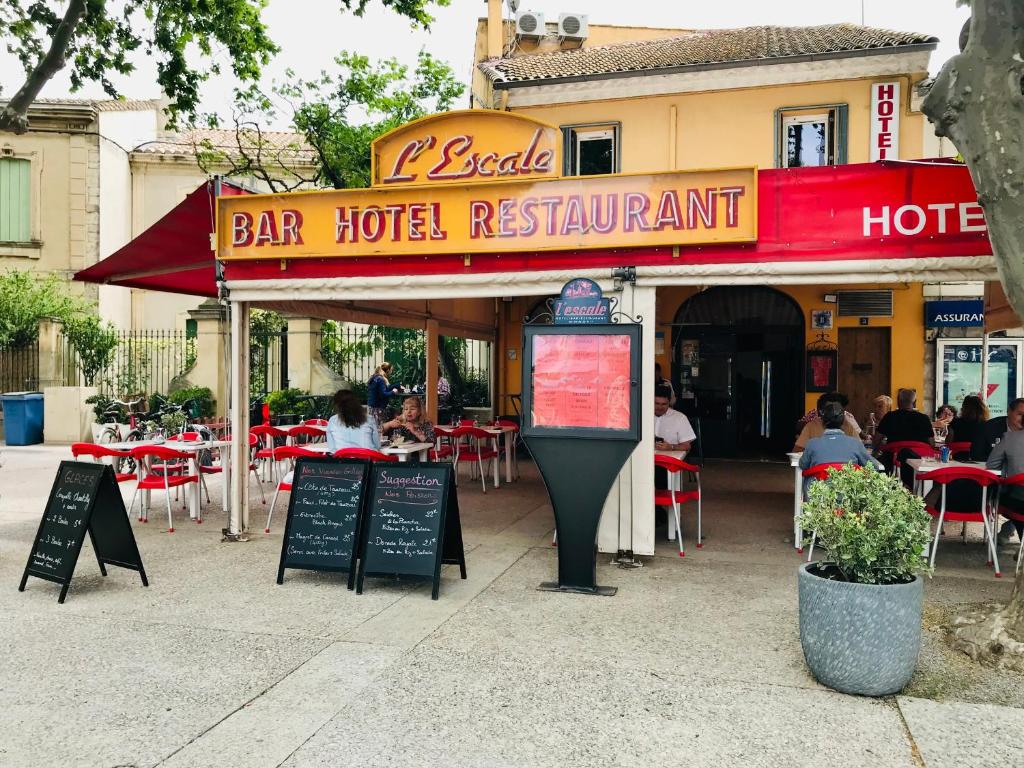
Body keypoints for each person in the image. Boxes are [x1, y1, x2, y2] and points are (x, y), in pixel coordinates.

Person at [799, 402, 873, 495]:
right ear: (843, 422)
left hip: (818, 497)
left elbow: (802, 465)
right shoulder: (855, 443)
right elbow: (873, 466)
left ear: (823, 421)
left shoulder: (812, 444)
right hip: (848, 498)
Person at [874, 388, 934, 488]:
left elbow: (876, 440)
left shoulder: (890, 417)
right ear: (915, 402)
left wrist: (879, 448)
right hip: (919, 463)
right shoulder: (924, 418)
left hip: (894, 461)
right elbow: (932, 444)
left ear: (898, 401)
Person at [794, 392, 861, 451]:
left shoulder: (848, 426)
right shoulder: (811, 426)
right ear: (821, 412)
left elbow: (860, 448)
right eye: (830, 410)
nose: (834, 413)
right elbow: (797, 451)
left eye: (838, 410)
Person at [654, 385, 695, 453]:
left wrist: (671, 447)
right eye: (657, 403)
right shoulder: (642, 416)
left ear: (669, 403)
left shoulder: (680, 418)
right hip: (644, 459)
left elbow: (687, 446)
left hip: (669, 461)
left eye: (664, 404)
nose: (660, 407)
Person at [948, 395, 989, 461]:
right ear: (982, 409)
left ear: (964, 408)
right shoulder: (987, 425)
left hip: (956, 458)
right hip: (979, 460)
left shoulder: (955, 423)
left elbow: (948, 442)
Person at [367, 362, 399, 431]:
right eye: (391, 370)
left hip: (372, 408)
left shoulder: (375, 377)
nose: (391, 372)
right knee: (379, 429)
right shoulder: (381, 379)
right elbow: (383, 394)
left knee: (374, 428)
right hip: (378, 409)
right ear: (387, 370)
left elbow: (383, 389)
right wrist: (393, 392)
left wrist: (397, 385)